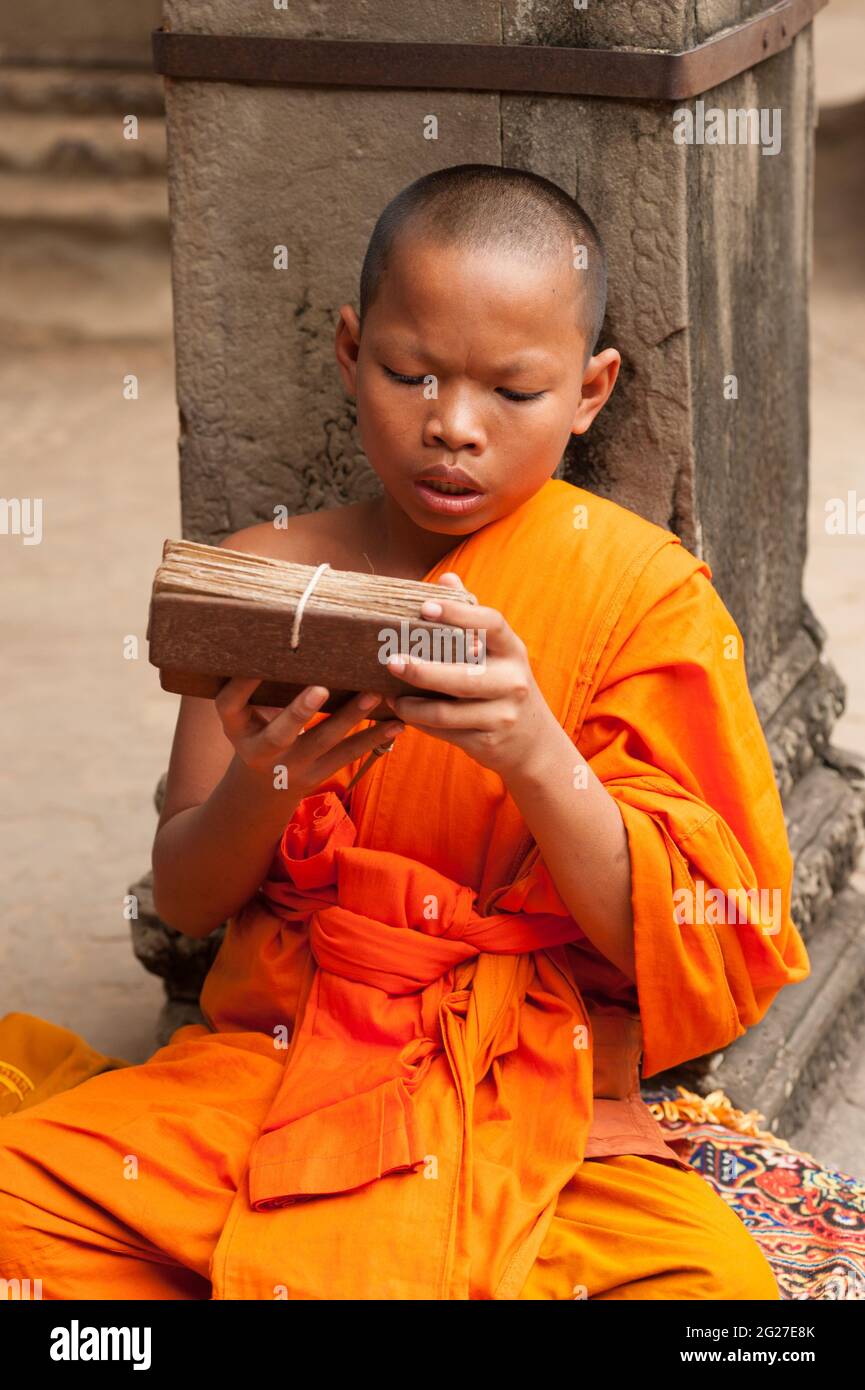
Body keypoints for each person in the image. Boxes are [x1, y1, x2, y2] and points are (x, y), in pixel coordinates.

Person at [0, 164, 809, 1300]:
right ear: (348, 350)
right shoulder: (267, 575)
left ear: (590, 390)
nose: (452, 427)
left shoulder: (643, 595)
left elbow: (683, 935)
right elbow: (182, 900)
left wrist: (535, 751)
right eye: (407, 372)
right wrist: (268, 783)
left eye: (513, 393)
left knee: (719, 1305)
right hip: (279, 1077)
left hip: (536, 1100)